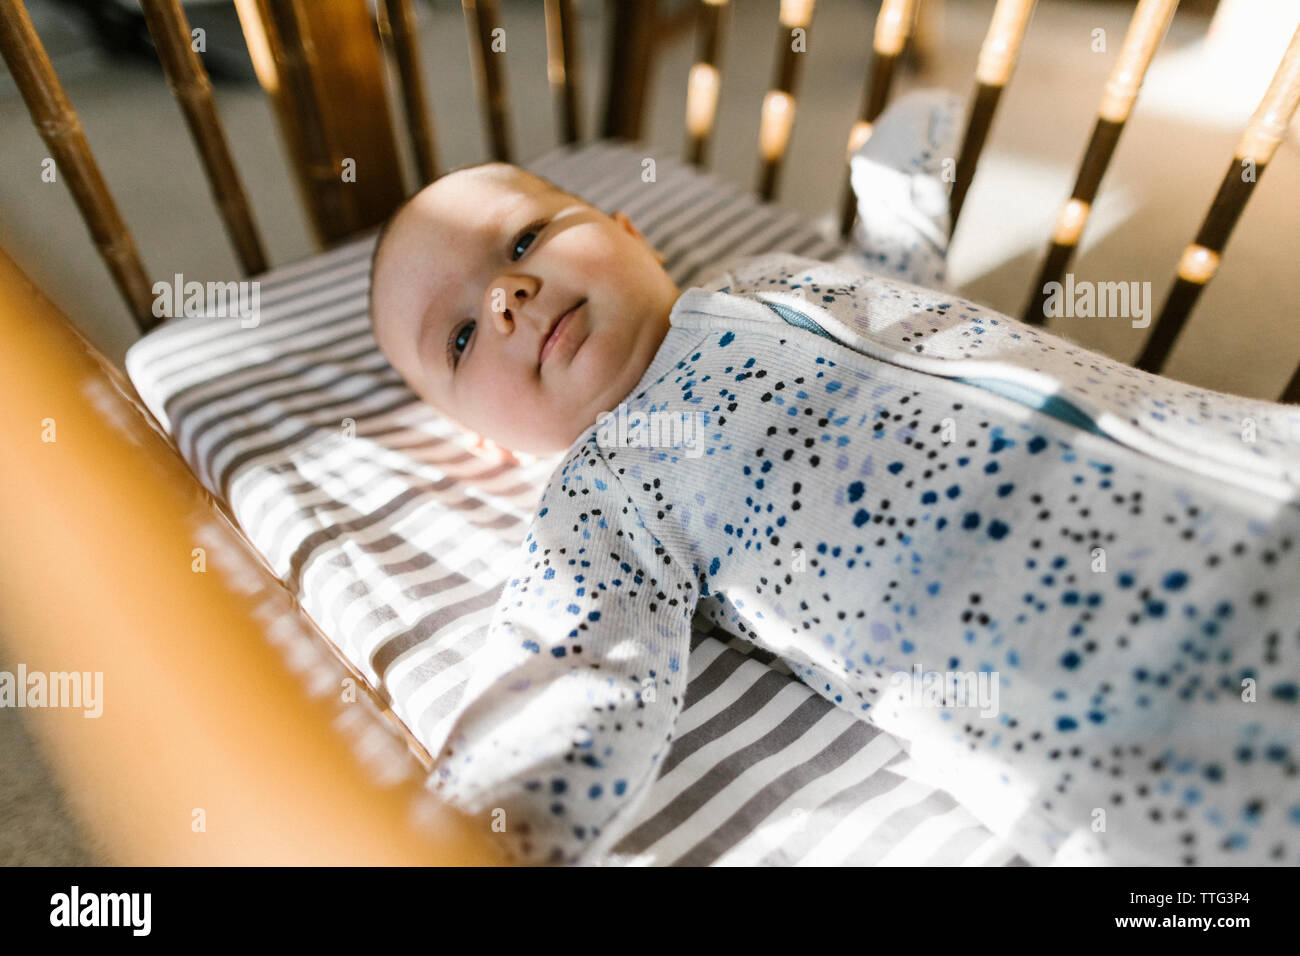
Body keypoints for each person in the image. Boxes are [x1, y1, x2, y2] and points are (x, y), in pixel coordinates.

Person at [368, 93, 1300, 866]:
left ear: (626, 228)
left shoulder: (776, 272)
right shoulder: (605, 490)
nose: (506, 296)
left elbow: (890, 276)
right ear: (484, 438)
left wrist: (897, 188)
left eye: (524, 240)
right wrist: (471, 836)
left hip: (1240, 454)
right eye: (459, 338)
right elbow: (565, 673)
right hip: (1128, 704)